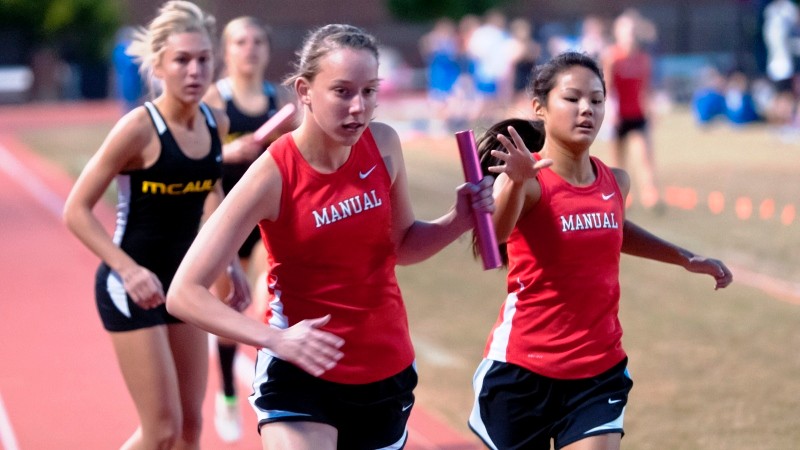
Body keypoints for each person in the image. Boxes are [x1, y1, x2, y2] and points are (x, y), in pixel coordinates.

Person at [166, 23, 494, 449]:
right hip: (300, 379)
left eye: (369, 91)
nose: (359, 107)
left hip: (384, 370)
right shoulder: (273, 172)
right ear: (304, 91)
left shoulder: (384, 144)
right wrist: (276, 339)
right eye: (342, 92)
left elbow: (401, 245)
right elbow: (184, 292)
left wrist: (458, 219)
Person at [467, 51, 733, 450]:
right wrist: (517, 183)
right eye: (572, 99)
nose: (586, 110)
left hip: (597, 370)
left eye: (596, 99)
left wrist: (683, 257)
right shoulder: (528, 180)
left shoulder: (615, 181)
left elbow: (614, 229)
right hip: (522, 371)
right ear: (540, 107)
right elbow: (495, 238)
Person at [62, 2, 229, 448]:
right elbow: (76, 209)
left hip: (183, 284)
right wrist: (128, 270)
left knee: (192, 427)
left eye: (203, 59)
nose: (195, 70)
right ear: (158, 65)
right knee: (161, 432)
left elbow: (210, 193)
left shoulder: (217, 122)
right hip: (130, 285)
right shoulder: (138, 128)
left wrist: (225, 264)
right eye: (182, 60)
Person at [201, 15, 297, 443]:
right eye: (241, 41)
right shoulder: (215, 99)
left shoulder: (279, 101)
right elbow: (193, 157)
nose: (250, 48)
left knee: (266, 297)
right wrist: (228, 151)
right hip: (224, 215)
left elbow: (299, 151)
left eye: (258, 40)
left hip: (267, 218)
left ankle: (273, 391)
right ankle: (224, 392)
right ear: (227, 51)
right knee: (228, 308)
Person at [603, 10, 662, 211]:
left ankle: (650, 195)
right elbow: (607, 88)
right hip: (618, 117)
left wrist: (651, 109)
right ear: (618, 32)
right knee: (618, 162)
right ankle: (619, 197)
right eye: (626, 30)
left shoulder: (643, 59)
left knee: (645, 155)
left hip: (637, 114)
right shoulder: (612, 57)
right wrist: (610, 112)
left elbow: (646, 89)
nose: (630, 35)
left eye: (633, 30)